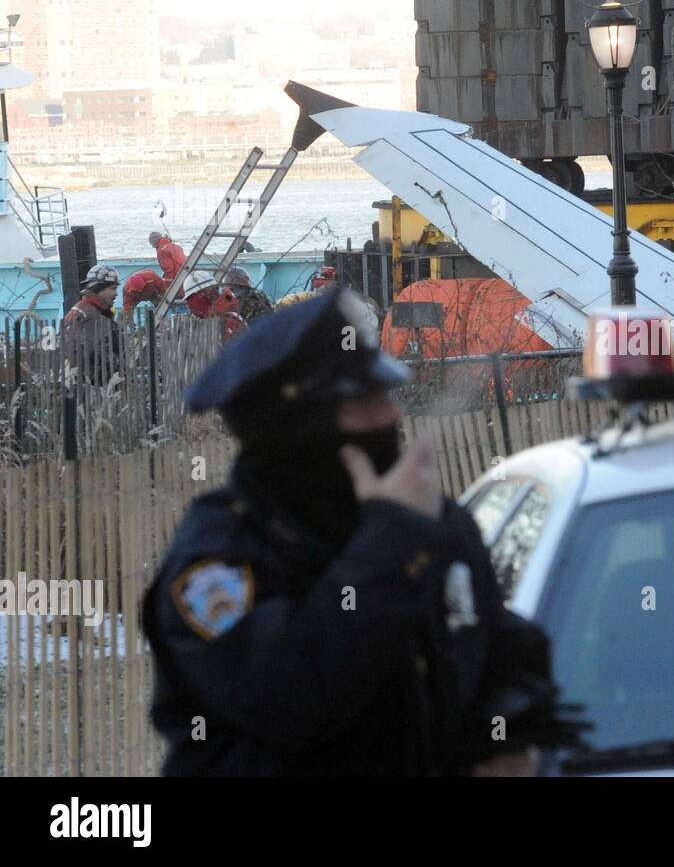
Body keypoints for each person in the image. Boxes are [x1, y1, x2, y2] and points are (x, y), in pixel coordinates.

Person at [142, 287, 573, 775]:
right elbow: (291, 697)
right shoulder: (222, 558)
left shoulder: (428, 521)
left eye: (386, 395)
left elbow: (503, 644)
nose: (392, 415)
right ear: (300, 427)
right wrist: (390, 541)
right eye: (366, 403)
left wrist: (507, 731)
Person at [62, 263, 123, 385]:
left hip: (81, 382)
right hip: (93, 386)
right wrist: (120, 366)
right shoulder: (92, 316)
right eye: (112, 288)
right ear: (98, 288)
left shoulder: (81, 309)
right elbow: (100, 354)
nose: (116, 294)